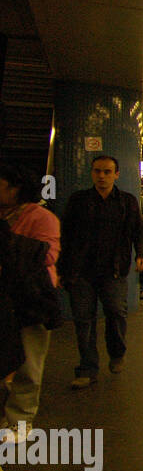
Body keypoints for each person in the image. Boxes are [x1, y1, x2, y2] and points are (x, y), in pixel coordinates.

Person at [57, 155, 143, 388]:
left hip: (114, 270)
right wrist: (59, 268)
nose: (102, 176)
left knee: (116, 312)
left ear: (116, 174)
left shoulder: (126, 202)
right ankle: (87, 368)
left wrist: (142, 254)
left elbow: (139, 230)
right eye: (97, 171)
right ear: (92, 173)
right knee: (84, 320)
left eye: (107, 172)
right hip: (81, 272)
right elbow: (64, 236)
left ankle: (116, 353)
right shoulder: (78, 201)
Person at [0, 163, 61, 442]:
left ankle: (21, 421)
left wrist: (10, 243)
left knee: (29, 359)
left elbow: (49, 255)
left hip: (30, 296)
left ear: (15, 188)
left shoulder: (42, 218)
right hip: (5, 295)